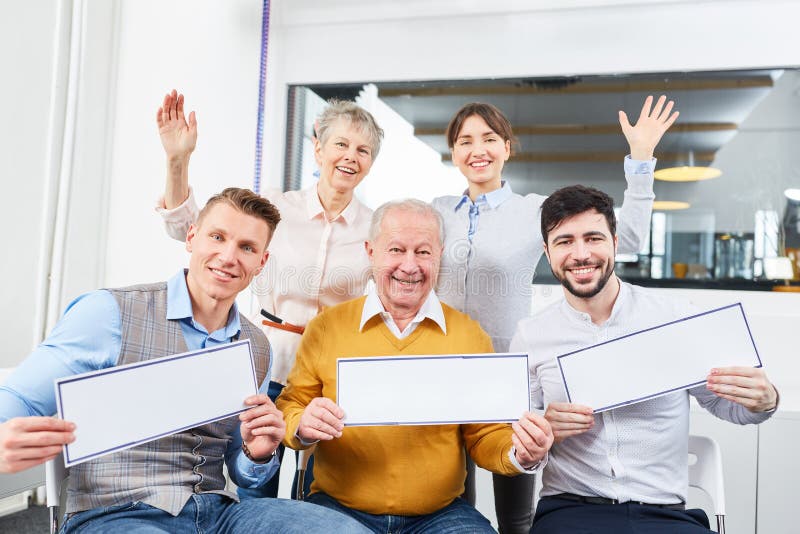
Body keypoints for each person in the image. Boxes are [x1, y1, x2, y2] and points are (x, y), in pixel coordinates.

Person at [0, 188, 369, 533]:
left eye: (246, 247)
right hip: (117, 511)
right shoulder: (109, 312)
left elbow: (241, 471)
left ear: (262, 262)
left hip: (218, 513)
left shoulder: (255, 346)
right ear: (192, 237)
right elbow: (20, 399)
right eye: (218, 237)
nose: (228, 257)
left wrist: (256, 453)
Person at [431, 95, 678, 533]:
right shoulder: (437, 212)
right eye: (465, 141)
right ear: (454, 152)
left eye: (489, 138)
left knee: (516, 513)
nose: (478, 150)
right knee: (453, 503)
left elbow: (632, 236)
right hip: (448, 371)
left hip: (513, 374)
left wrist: (641, 159)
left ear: (507, 147)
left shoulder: (532, 210)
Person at [510, 185, 778, 534]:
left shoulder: (674, 317)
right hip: (569, 511)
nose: (580, 254)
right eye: (564, 242)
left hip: (665, 515)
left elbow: (728, 405)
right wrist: (539, 439)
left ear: (616, 242)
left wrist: (765, 400)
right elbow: (518, 449)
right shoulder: (531, 336)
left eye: (593, 238)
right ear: (547, 252)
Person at [276, 199, 554, 533]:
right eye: (396, 249)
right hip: (339, 509)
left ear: (439, 254)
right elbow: (292, 405)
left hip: (440, 516)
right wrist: (301, 425)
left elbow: (486, 435)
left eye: (423, 252)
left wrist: (520, 454)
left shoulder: (469, 335)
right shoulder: (327, 327)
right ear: (371, 251)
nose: (410, 266)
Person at [156, 90, 383, 497]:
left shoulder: (373, 227)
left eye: (363, 150)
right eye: (342, 144)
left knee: (320, 495)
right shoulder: (276, 208)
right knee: (255, 485)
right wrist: (178, 161)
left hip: (329, 377)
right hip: (267, 367)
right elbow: (185, 228)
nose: (351, 156)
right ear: (318, 149)